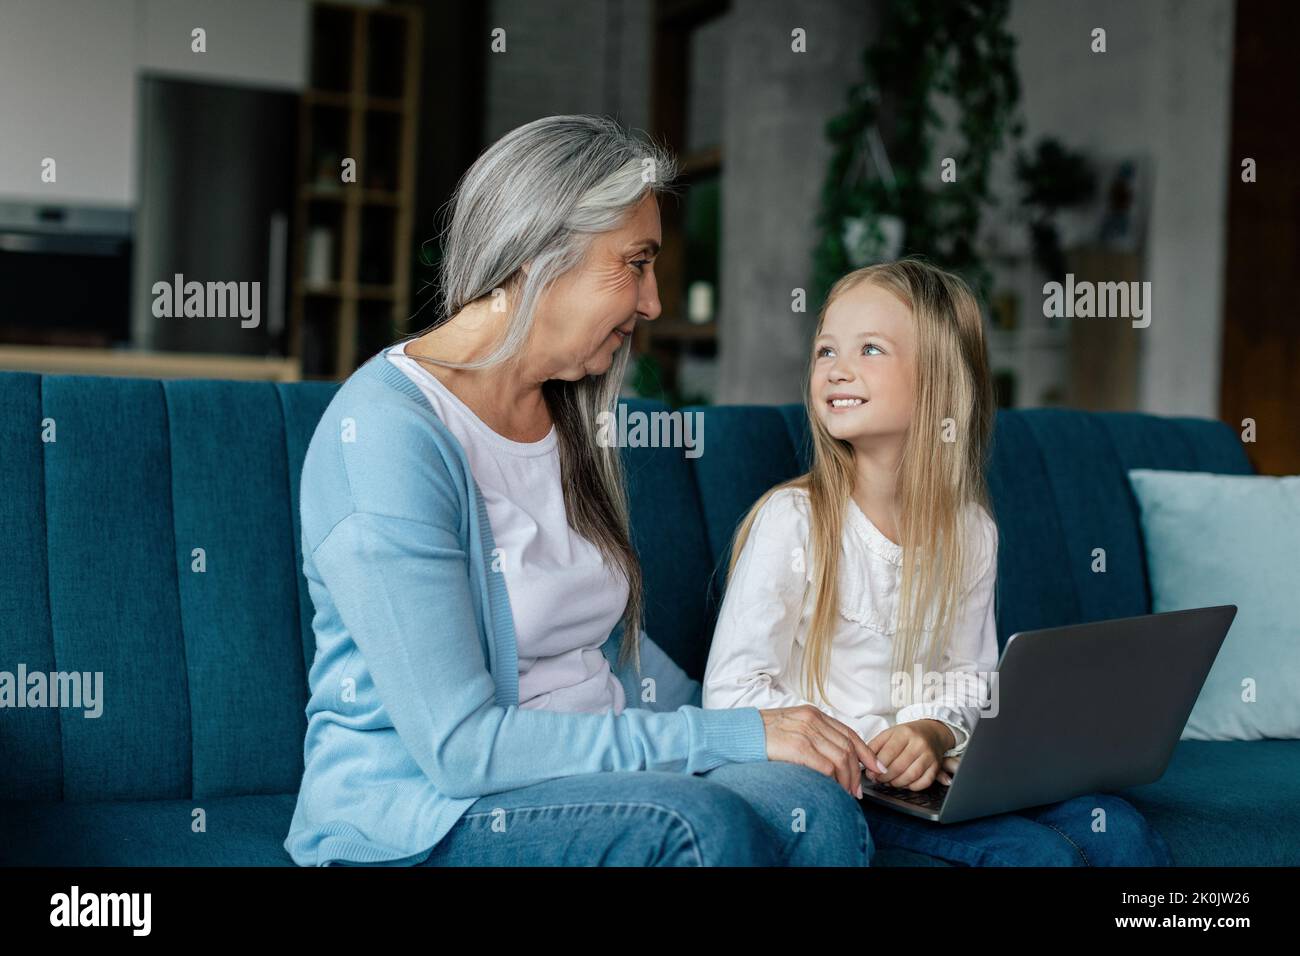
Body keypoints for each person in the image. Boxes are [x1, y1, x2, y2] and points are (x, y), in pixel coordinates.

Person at [283, 114, 876, 867]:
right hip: (428, 814)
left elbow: (608, 656)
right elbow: (463, 749)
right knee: (697, 828)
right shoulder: (387, 437)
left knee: (813, 809)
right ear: (539, 254)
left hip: (585, 781)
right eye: (636, 263)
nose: (654, 302)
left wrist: (781, 723)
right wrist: (735, 737)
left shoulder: (567, 411)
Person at [702, 257, 1174, 866]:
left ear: (939, 382)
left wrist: (931, 732)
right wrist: (867, 745)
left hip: (928, 780)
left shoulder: (970, 531)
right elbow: (730, 693)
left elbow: (967, 674)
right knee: (1035, 856)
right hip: (844, 784)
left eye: (870, 348)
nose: (837, 369)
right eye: (825, 351)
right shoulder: (794, 520)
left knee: (1120, 832)